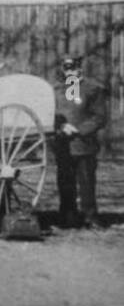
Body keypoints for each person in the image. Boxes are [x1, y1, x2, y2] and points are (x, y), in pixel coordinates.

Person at [52, 53, 108, 231]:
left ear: (80, 68)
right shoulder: (57, 90)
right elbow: (51, 115)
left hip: (84, 144)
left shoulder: (93, 89)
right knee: (65, 182)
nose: (70, 72)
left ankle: (90, 216)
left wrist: (79, 130)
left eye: (73, 68)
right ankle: (68, 216)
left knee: (87, 182)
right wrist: (61, 127)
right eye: (66, 68)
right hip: (63, 145)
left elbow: (99, 117)